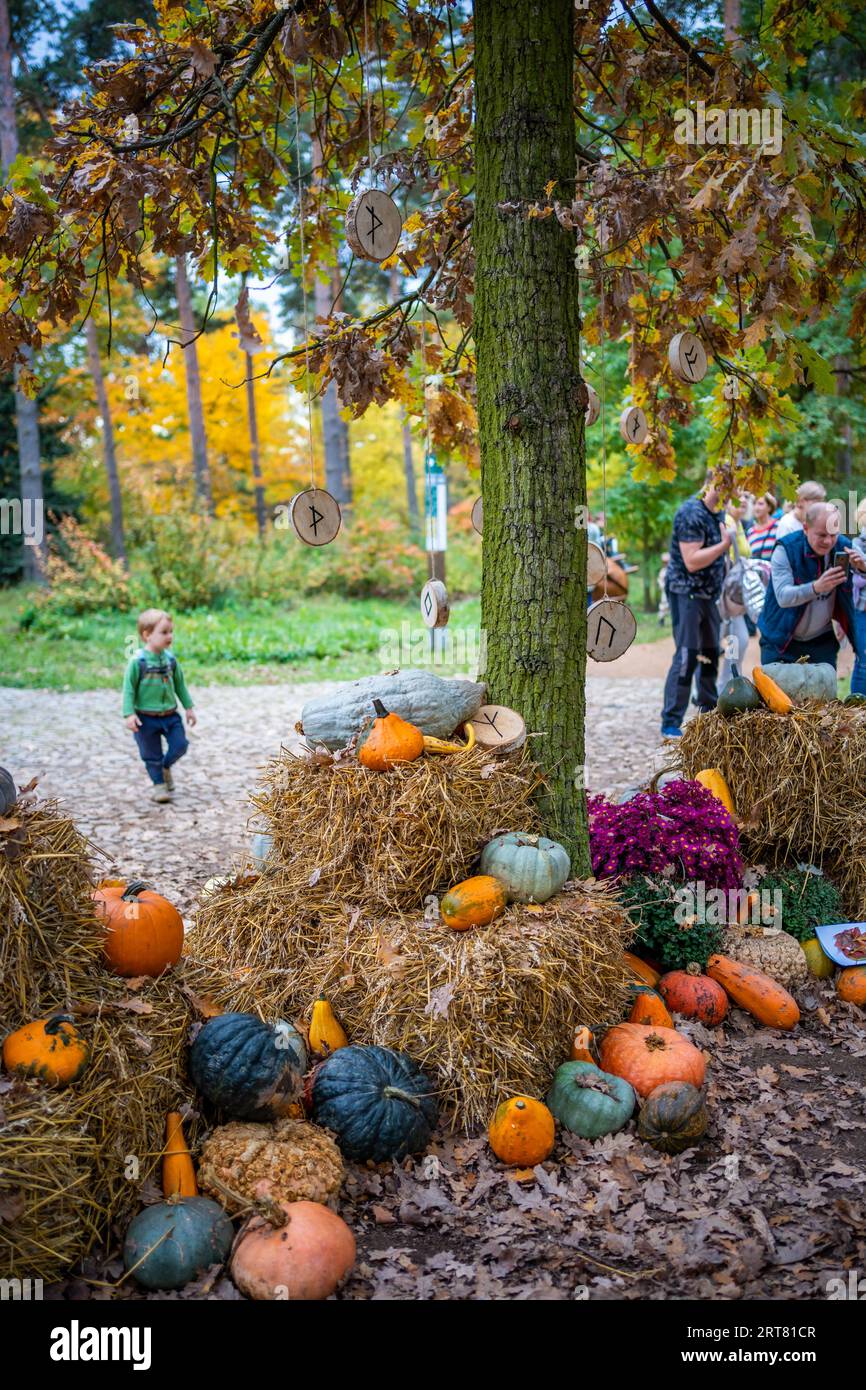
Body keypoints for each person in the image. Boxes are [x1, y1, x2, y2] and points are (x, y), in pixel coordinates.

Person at [660, 474, 735, 738]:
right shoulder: (691, 512)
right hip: (685, 592)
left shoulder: (720, 514)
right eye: (730, 485)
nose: (734, 492)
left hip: (709, 595)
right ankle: (671, 721)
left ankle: (707, 711)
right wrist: (724, 545)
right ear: (715, 481)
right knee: (687, 654)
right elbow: (691, 560)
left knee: (711, 652)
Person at [758, 502, 866, 666]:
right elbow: (783, 597)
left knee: (823, 691)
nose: (828, 541)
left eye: (833, 534)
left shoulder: (844, 547)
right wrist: (816, 587)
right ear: (806, 528)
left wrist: (863, 569)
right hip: (781, 641)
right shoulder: (786, 549)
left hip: (822, 642)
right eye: (822, 535)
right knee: (776, 692)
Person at [122, 609, 197, 803]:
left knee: (180, 745)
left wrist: (188, 708)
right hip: (145, 718)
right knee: (151, 754)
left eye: (171, 631)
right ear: (147, 635)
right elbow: (128, 690)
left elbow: (180, 685)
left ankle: (165, 767)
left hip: (170, 715)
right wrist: (129, 714)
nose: (169, 636)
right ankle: (159, 786)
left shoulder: (171, 660)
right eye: (164, 632)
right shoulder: (137, 662)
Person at [718, 495, 751, 686]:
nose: (743, 500)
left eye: (746, 496)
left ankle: (727, 684)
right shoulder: (728, 522)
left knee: (737, 641)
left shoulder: (739, 524)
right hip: (724, 596)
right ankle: (714, 688)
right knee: (731, 641)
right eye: (738, 497)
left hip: (734, 597)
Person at [850, 497, 866, 696]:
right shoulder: (858, 542)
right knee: (863, 661)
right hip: (863, 610)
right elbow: (857, 577)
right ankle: (858, 711)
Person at [748, 492, 779, 560]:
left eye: (760, 504)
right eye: (754, 503)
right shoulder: (750, 532)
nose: (756, 507)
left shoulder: (778, 526)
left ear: (769, 507)